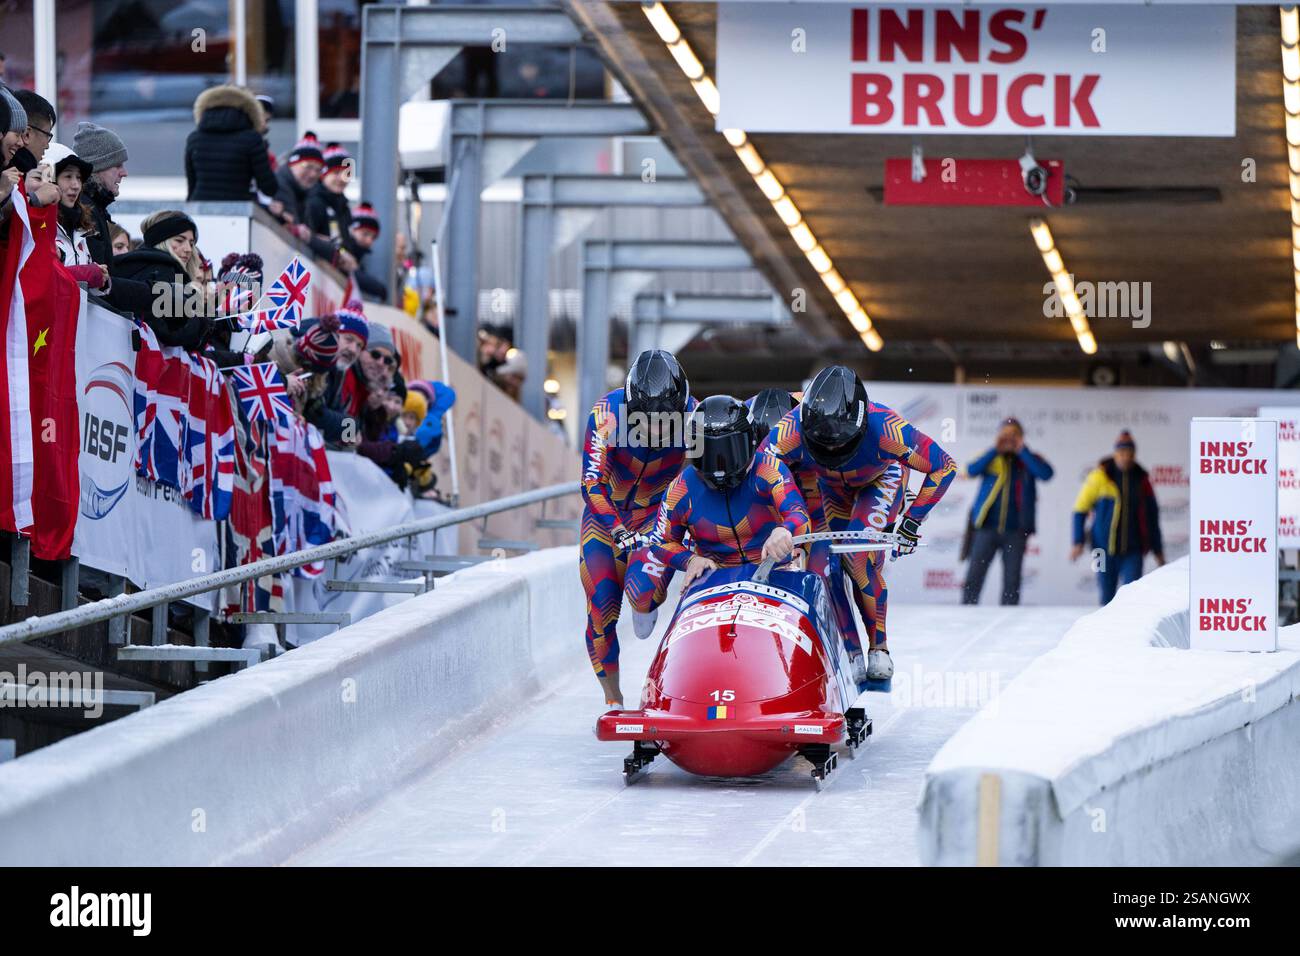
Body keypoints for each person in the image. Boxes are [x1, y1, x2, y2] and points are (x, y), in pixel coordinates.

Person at [762, 366, 956, 681]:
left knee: (857, 557)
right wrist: (781, 520)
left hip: (880, 481)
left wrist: (911, 522)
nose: (834, 450)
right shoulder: (790, 428)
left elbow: (944, 466)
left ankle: (879, 647)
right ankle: (850, 652)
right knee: (823, 567)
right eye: (824, 445)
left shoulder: (888, 429)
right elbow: (762, 466)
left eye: (841, 443)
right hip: (831, 489)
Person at [579, 349, 695, 707]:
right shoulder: (607, 415)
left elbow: (699, 480)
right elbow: (592, 483)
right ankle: (612, 700)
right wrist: (616, 530)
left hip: (656, 516)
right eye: (647, 420)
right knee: (601, 607)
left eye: (666, 421)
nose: (658, 429)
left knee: (642, 595)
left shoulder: (695, 418)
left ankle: (644, 600)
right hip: (606, 518)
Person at [641, 395, 809, 598]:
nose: (720, 465)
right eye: (709, 453)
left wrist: (784, 530)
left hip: (775, 570)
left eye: (730, 450)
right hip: (716, 577)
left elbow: (798, 514)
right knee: (643, 596)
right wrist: (690, 560)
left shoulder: (769, 469)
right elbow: (660, 541)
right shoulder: (681, 489)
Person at [961, 417, 1053, 605]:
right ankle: (965, 614)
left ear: (1021, 437)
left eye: (1014, 435)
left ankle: (1009, 622)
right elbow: (970, 470)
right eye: (1006, 434)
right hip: (986, 528)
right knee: (974, 576)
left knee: (1012, 582)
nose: (1010, 438)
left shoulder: (1029, 459)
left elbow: (1046, 474)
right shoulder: (991, 457)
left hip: (1016, 531)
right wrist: (996, 449)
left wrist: (1022, 450)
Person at [1071, 430, 1165, 605]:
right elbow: (1079, 510)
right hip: (1101, 550)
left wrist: (1158, 551)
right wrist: (1077, 541)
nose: (1125, 457)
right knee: (1106, 597)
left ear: (1134, 454)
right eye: (1122, 453)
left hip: (1133, 550)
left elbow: (1152, 518)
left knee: (1130, 600)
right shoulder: (1099, 476)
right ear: (1115, 453)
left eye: (1129, 453)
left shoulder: (1142, 480)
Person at [109, 210, 210, 349]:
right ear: (161, 240)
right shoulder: (164, 270)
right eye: (179, 240)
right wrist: (202, 321)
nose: (188, 249)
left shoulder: (138, 263)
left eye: (192, 243)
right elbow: (169, 332)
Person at [184, 85, 280, 203]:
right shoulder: (252, 139)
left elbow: (191, 185)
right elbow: (269, 188)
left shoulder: (194, 138)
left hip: (201, 208)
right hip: (239, 210)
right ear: (250, 109)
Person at [41, 143, 109, 292]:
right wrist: (88, 273)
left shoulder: (83, 227)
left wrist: (101, 281)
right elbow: (41, 280)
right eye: (68, 176)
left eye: (78, 178)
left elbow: (82, 293)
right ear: (49, 179)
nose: (76, 185)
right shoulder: (39, 226)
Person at [71, 121, 129, 266]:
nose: (124, 173)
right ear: (96, 167)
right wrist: (148, 288)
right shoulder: (85, 210)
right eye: (117, 165)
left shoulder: (93, 206)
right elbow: (101, 283)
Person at [342, 201, 389, 301]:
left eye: (373, 237)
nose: (369, 241)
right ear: (352, 230)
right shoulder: (343, 251)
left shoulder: (358, 258)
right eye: (365, 234)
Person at [305, 143, 352, 241]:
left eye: (346, 174)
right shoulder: (314, 202)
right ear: (323, 175)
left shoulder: (343, 207)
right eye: (336, 173)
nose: (342, 179)